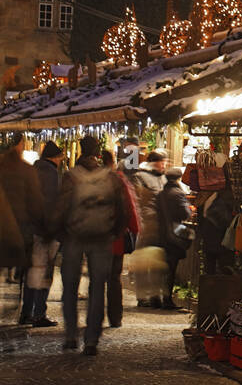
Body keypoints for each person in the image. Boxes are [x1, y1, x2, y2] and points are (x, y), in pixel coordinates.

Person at [53, 135, 125, 355]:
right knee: (97, 288)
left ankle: (71, 336)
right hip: (103, 237)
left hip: (75, 237)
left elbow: (62, 207)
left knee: (70, 287)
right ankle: (92, 339)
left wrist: (59, 233)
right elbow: (123, 208)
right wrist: (115, 231)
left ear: (81, 151)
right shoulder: (110, 177)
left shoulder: (71, 176)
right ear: (97, 151)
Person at [0, 131, 45, 325]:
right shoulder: (26, 170)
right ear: (20, 144)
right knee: (25, 271)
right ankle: (22, 311)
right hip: (21, 230)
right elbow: (36, 203)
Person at [21, 140, 64, 326]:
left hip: (28, 230)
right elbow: (51, 204)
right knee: (44, 273)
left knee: (31, 272)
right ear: (56, 157)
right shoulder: (51, 174)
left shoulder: (33, 171)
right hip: (44, 232)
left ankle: (26, 312)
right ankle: (39, 313)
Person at [103, 147, 140, 328]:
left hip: (93, 238)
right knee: (113, 279)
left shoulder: (87, 180)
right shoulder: (118, 180)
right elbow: (130, 207)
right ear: (112, 162)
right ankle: (115, 317)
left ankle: (94, 318)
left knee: (97, 279)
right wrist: (134, 229)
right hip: (114, 239)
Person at [129, 149, 167, 308]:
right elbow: (137, 201)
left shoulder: (163, 178)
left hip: (159, 225)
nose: (164, 165)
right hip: (145, 224)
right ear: (155, 162)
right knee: (145, 262)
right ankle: (145, 296)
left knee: (157, 261)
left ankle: (155, 295)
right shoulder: (140, 177)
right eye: (163, 162)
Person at [156, 167, 193, 311]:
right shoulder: (178, 193)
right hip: (174, 235)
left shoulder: (161, 194)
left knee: (164, 267)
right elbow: (185, 213)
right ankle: (167, 299)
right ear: (178, 178)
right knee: (171, 268)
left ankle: (161, 297)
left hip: (161, 234)